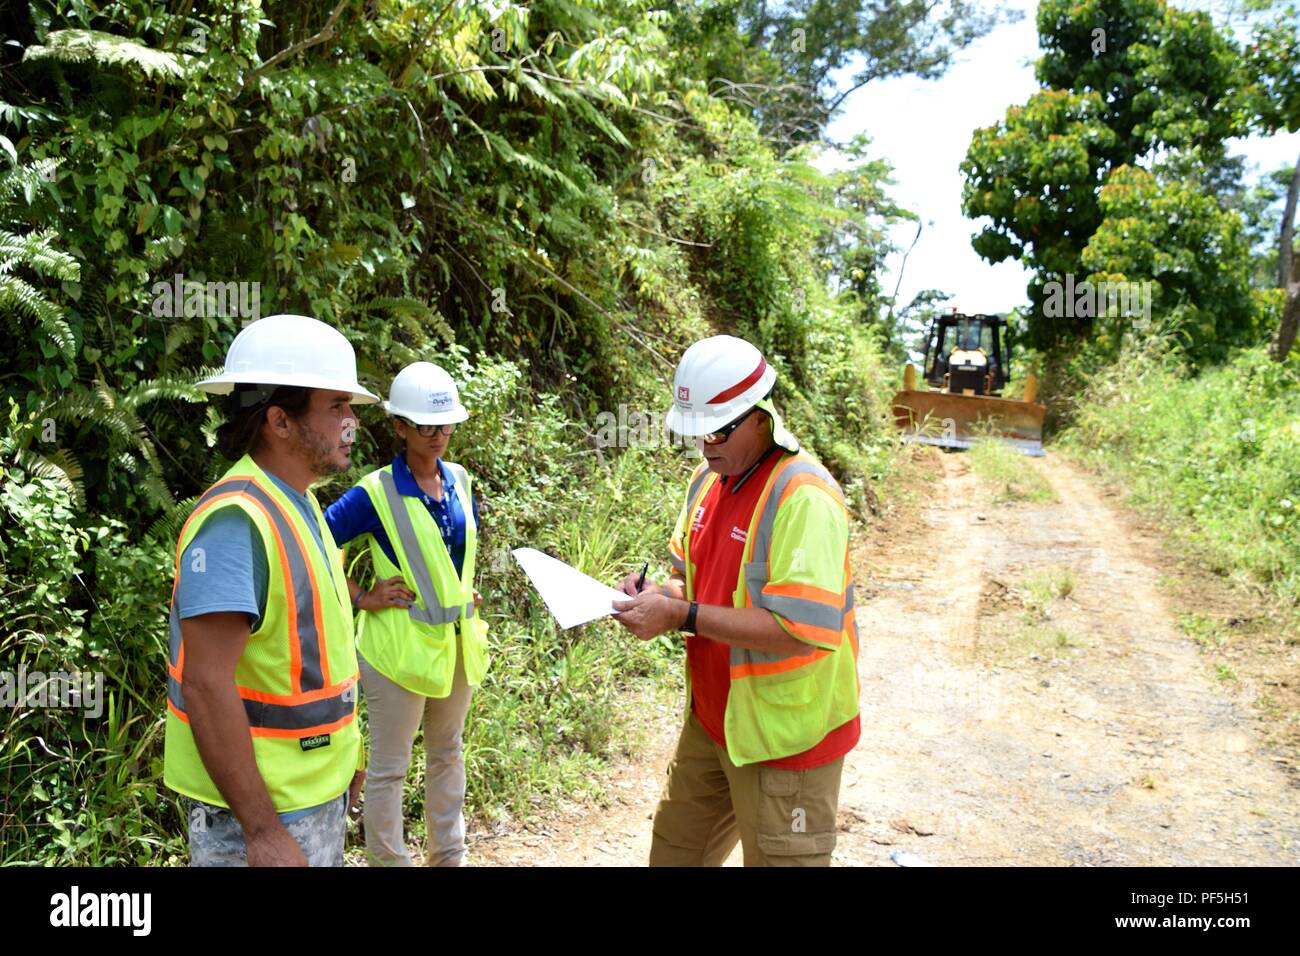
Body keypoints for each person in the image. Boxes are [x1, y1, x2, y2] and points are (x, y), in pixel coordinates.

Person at [613, 335, 861, 867]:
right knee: (675, 854)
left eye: (719, 430)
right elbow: (691, 587)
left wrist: (681, 615)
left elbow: (799, 627)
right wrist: (658, 596)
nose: (707, 445)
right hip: (713, 721)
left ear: (760, 417)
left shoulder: (804, 497)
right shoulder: (706, 481)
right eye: (697, 433)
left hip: (786, 740)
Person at [164, 313, 379, 866]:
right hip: (259, 819)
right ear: (280, 421)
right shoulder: (235, 521)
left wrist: (347, 758)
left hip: (311, 799)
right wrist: (261, 831)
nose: (351, 423)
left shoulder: (299, 501)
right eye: (337, 407)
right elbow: (207, 683)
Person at [324, 361, 489, 867]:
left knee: (448, 755)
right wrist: (361, 595)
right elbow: (313, 540)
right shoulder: (376, 492)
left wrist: (463, 593)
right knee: (389, 770)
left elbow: (451, 555)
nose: (438, 436)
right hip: (396, 651)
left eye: (445, 425)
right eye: (425, 426)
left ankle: (449, 858)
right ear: (399, 427)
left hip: (455, 648)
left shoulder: (458, 479)